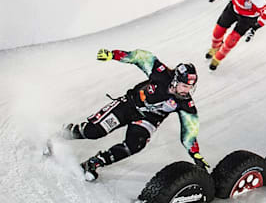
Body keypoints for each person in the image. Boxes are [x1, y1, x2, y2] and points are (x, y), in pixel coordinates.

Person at [62, 48, 207, 180]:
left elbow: (190, 130)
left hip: (148, 120)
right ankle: (63, 133)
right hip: (128, 105)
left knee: (135, 144)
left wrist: (195, 154)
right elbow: (139, 56)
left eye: (190, 87)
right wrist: (113, 54)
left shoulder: (186, 103)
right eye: (184, 86)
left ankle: (95, 162)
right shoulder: (160, 73)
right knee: (94, 131)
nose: (187, 91)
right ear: (175, 81)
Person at [206, 0, 266, 70]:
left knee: (230, 41)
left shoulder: (259, 0)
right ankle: (215, 48)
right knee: (217, 32)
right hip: (233, 9)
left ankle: (218, 58)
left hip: (248, 18)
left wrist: (254, 28)